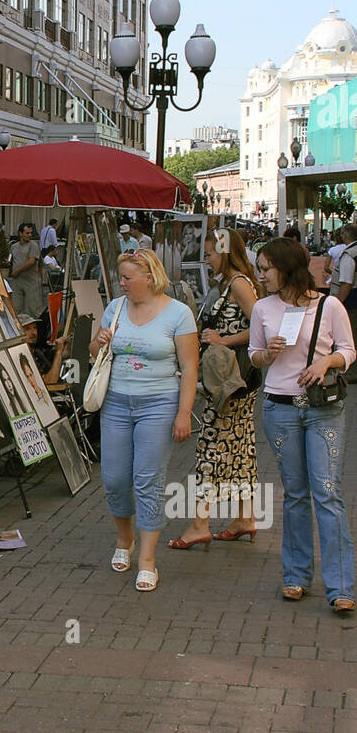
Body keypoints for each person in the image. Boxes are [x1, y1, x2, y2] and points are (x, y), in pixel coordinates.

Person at [250, 238, 355, 612]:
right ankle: (295, 576)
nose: (261, 275)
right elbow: (255, 357)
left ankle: (341, 586)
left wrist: (326, 363)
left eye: (266, 268)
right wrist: (268, 353)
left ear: (286, 267)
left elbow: (348, 350)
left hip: (322, 408)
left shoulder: (329, 305)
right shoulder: (262, 307)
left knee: (327, 492)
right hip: (279, 408)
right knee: (295, 494)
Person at [89, 249, 198, 592]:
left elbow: (191, 366)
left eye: (126, 277)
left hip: (159, 403)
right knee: (115, 477)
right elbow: (94, 352)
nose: (121, 283)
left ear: (149, 277)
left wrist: (184, 412)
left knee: (148, 477)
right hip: (117, 402)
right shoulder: (115, 308)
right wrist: (99, 341)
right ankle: (125, 539)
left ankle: (148, 558)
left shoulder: (178, 314)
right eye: (120, 277)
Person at [169, 228, 261, 549]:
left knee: (210, 447)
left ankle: (200, 524)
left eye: (209, 254)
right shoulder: (234, 283)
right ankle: (244, 517)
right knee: (239, 447)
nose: (206, 260)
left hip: (229, 382)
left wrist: (223, 339)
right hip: (234, 381)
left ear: (224, 251)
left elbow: (258, 327)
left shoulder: (237, 284)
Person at [328, 221, 357, 383]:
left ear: (344, 237)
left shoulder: (349, 255)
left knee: (351, 336)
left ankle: (351, 373)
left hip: (351, 301)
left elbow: (346, 282)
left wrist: (338, 304)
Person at [8, 223, 45, 319]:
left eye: (31, 233)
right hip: (17, 281)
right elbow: (10, 260)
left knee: (34, 308)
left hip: (30, 281)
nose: (30, 235)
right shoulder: (14, 247)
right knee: (16, 307)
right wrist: (8, 265)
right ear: (20, 233)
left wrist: (17, 271)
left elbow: (31, 261)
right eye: (27, 233)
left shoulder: (33, 245)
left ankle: (38, 330)